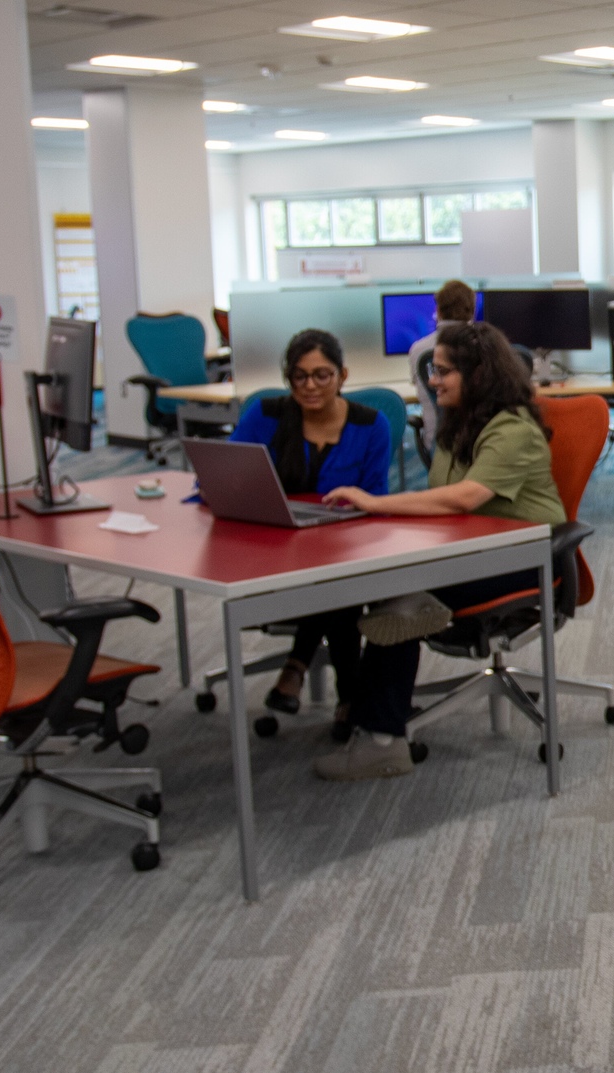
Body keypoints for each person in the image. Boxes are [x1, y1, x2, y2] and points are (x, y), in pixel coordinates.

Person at [319, 320, 563, 781]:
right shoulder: (459, 425)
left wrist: (376, 503)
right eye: (434, 369)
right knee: (379, 587)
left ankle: (381, 740)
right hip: (468, 550)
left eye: (443, 371)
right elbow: (444, 506)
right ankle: (371, 716)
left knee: (400, 600)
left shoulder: (511, 429)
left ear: (479, 375)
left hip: (522, 560)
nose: (433, 380)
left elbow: (461, 498)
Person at [228, 328, 395, 727]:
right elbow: (228, 472)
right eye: (299, 376)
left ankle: (297, 667)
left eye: (322, 375)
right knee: (337, 585)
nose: (310, 386)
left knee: (338, 578)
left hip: (346, 544)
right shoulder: (266, 415)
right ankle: (348, 694)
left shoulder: (371, 425)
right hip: (273, 544)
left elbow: (374, 497)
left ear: (343, 375)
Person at [410, 278, 476, 451]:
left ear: (438, 311)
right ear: (472, 311)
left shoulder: (418, 349)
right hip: (480, 441)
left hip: (437, 443)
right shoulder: (485, 345)